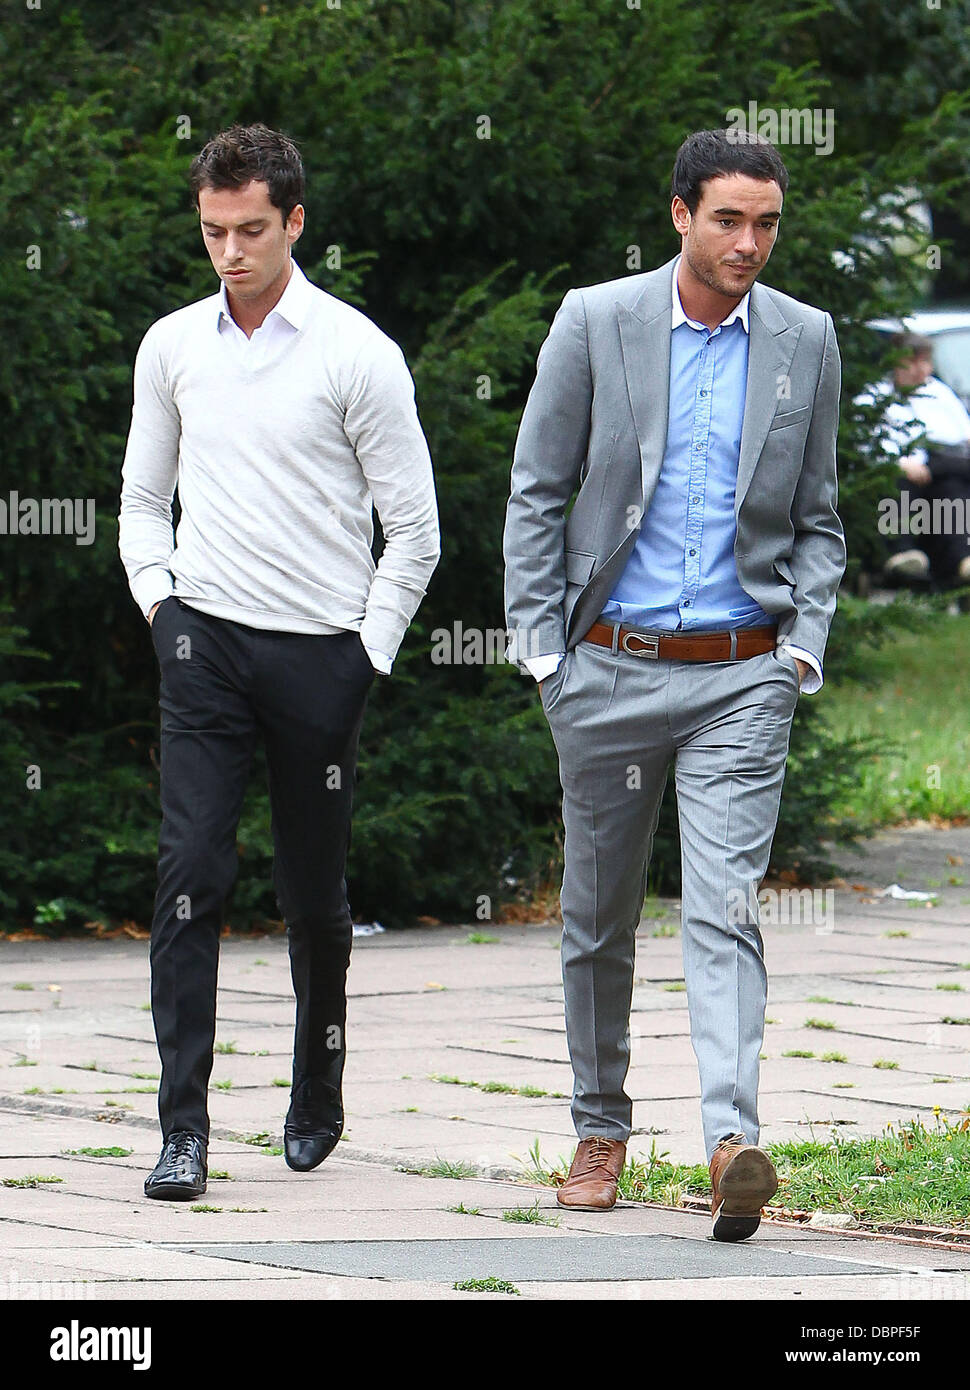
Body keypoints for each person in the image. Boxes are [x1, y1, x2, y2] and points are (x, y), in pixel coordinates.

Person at [504, 128, 845, 1241]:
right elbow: (537, 488)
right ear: (679, 215)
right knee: (597, 917)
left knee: (724, 907)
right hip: (608, 666)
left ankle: (727, 1141)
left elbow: (820, 520)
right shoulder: (596, 321)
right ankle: (599, 1126)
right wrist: (545, 650)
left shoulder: (806, 339)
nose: (749, 243)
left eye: (768, 223)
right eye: (728, 219)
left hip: (744, 674)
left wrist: (801, 645)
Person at [118, 123, 440, 1200]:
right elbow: (139, 500)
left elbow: (417, 528)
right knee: (189, 877)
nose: (230, 251)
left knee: (312, 894)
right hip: (204, 642)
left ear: (295, 221)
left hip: (321, 656)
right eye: (212, 230)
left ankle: (318, 1085)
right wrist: (162, 611)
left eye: (251, 229)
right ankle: (182, 1130)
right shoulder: (171, 345)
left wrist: (365, 655)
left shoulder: (356, 353)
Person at [859, 332, 970, 589]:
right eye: (913, 362)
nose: (922, 370)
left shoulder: (939, 393)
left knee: (951, 486)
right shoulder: (875, 397)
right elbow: (867, 446)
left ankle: (961, 560)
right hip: (901, 469)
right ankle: (902, 554)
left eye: (925, 362)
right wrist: (902, 464)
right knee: (902, 483)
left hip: (945, 464)